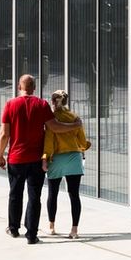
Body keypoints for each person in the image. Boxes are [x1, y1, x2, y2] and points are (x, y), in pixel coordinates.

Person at [0, 73, 52, 244]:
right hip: (36, 159)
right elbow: (53, 127)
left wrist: (0, 155)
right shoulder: (42, 104)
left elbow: (4, 134)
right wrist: (74, 125)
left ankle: (13, 228)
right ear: (34, 88)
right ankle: (32, 234)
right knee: (35, 196)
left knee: (15, 194)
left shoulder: (10, 104)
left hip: (16, 158)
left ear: (19, 87)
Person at [43, 89, 89, 237]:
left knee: (53, 193)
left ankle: (52, 226)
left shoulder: (51, 119)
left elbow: (49, 141)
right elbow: (82, 140)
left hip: (56, 159)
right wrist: (85, 146)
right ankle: (74, 230)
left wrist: (45, 157)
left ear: (53, 101)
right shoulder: (75, 117)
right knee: (74, 195)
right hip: (74, 158)